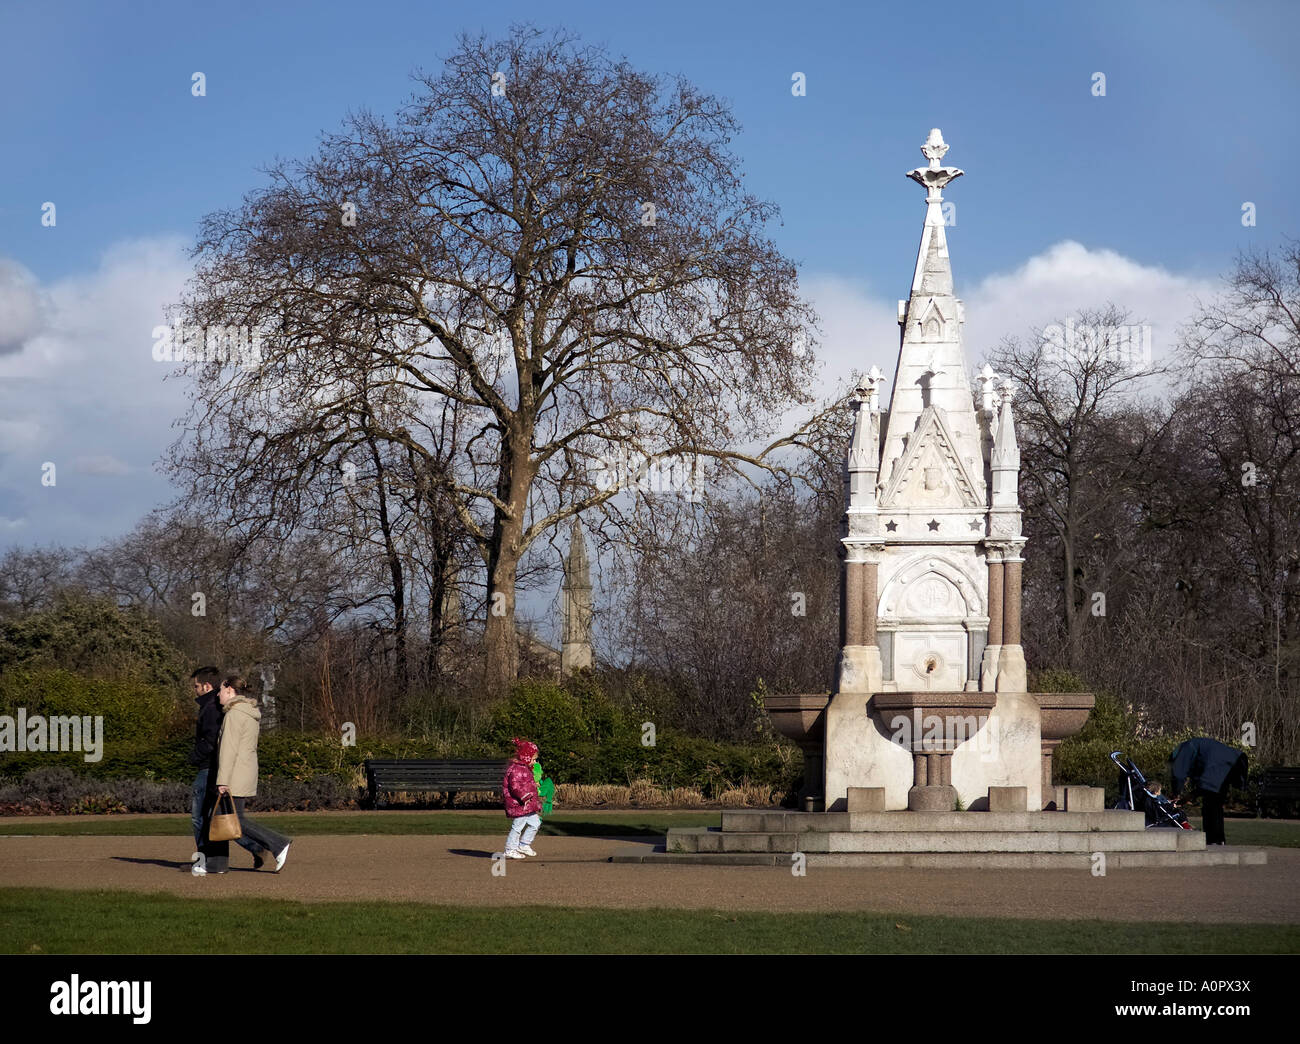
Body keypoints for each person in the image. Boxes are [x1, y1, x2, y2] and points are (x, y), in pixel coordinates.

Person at [211, 674, 291, 873]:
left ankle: (278, 844)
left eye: (220, 691)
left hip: (235, 773)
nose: (218, 695)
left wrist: (222, 780)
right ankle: (258, 848)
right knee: (227, 818)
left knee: (236, 820)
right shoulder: (249, 712)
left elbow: (229, 750)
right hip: (244, 770)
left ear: (230, 690)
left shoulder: (234, 714)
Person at [1169, 736, 1249, 846]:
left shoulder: (1185, 749)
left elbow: (1178, 774)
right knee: (1216, 804)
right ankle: (1219, 839)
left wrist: (1176, 793)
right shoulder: (1196, 746)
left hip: (1220, 765)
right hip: (1234, 760)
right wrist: (1190, 796)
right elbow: (1204, 786)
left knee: (1210, 805)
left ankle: (1213, 840)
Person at [188, 666, 228, 875]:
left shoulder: (211, 707)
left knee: (200, 817)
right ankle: (213, 860)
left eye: (196, 686)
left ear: (207, 686)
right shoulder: (213, 705)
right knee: (212, 816)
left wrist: (194, 756)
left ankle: (204, 859)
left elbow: (211, 740)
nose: (195, 690)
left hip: (208, 767)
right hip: (211, 767)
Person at [502, 738, 542, 859]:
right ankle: (510, 849)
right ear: (526, 757)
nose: (535, 762)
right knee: (518, 826)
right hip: (519, 804)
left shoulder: (525, 769)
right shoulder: (517, 769)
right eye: (533, 759)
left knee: (535, 823)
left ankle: (524, 844)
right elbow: (515, 787)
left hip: (527, 805)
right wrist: (525, 797)